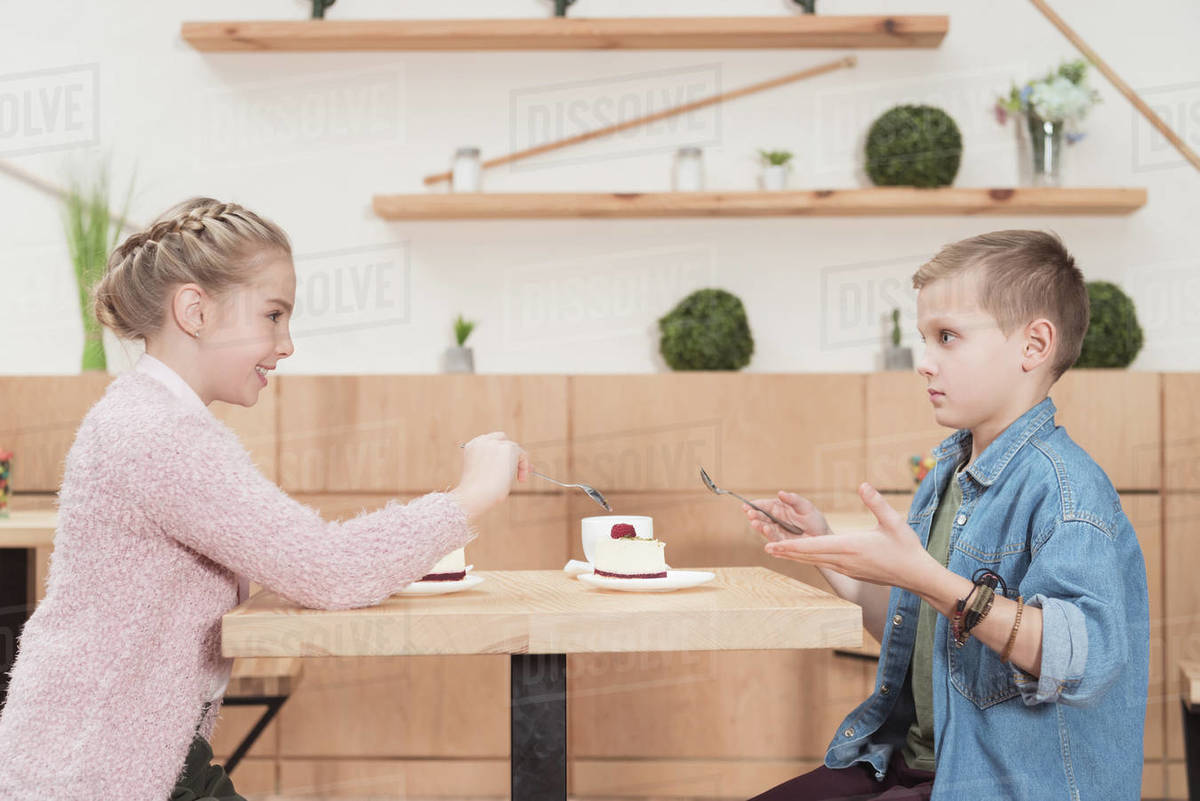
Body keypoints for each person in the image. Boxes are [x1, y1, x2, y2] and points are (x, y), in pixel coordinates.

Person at [0, 197, 530, 800]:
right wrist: (472, 493)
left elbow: (303, 558)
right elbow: (330, 569)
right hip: (92, 775)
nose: (287, 343)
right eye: (273, 315)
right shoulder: (154, 433)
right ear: (195, 311)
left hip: (135, 762)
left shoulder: (155, 420)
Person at [745, 230, 1150, 801]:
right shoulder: (950, 473)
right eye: (924, 339)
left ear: (1033, 345)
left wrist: (925, 577)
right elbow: (916, 623)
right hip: (922, 764)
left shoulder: (1066, 489)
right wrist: (828, 549)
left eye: (948, 337)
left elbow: (1077, 661)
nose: (924, 363)